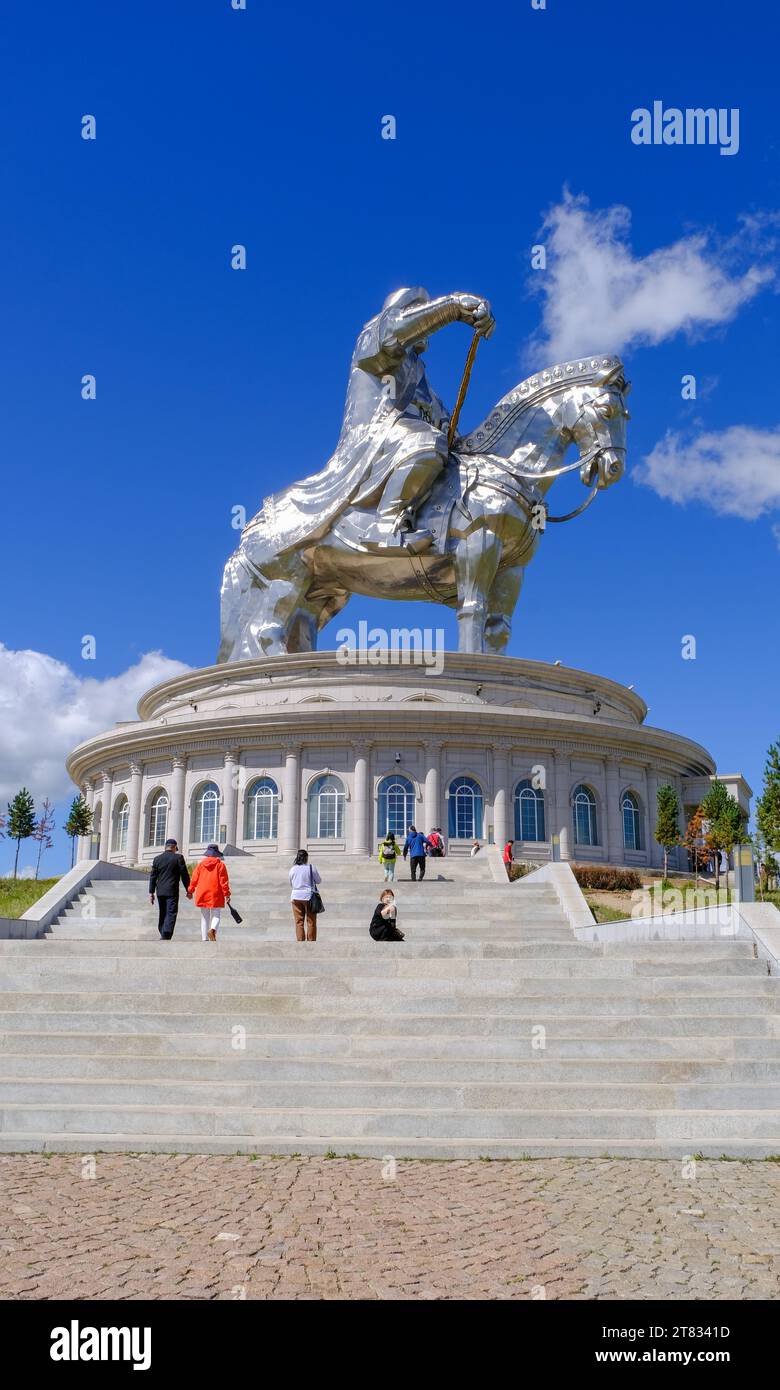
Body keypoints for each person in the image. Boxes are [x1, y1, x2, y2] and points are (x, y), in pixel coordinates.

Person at [187, 844, 231, 942]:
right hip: (216, 892)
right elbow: (224, 882)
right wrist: (227, 894)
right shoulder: (220, 865)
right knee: (216, 914)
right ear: (216, 854)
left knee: (204, 916)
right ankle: (212, 929)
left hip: (202, 892)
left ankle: (204, 939)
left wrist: (190, 891)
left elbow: (194, 879)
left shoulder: (200, 865)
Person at [148, 837, 190, 940]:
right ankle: (166, 934)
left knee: (163, 912)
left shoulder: (157, 859)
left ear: (165, 847)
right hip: (172, 890)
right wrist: (189, 889)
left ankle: (162, 931)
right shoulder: (178, 858)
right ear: (174, 847)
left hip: (160, 891)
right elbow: (184, 875)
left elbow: (153, 876)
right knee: (171, 912)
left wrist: (151, 892)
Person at [289, 848, 322, 942]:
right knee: (311, 921)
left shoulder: (292, 869)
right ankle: (311, 941)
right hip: (309, 897)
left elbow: (291, 884)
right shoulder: (311, 868)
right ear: (306, 858)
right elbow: (319, 881)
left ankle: (300, 941)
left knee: (298, 921)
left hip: (295, 897)